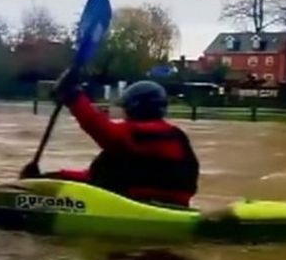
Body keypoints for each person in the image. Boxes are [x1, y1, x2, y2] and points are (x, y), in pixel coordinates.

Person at [44, 76, 199, 207]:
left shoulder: (137, 133)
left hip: (137, 201)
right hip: (176, 203)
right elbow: (97, 176)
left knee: (110, 155)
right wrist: (56, 176)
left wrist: (74, 97)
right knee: (112, 157)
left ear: (134, 108)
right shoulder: (177, 135)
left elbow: (98, 127)